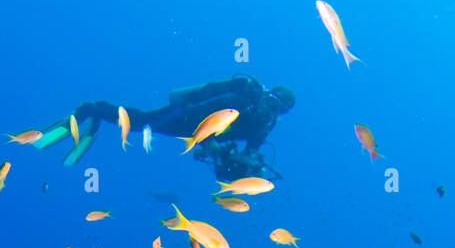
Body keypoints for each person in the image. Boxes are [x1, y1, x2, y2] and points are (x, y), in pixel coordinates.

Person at [36, 75, 294, 181]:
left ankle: (97, 113)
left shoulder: (264, 124)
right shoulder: (241, 101)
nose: (271, 109)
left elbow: (251, 149)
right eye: (272, 101)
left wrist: (248, 163)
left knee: (140, 124)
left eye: (279, 109)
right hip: (184, 116)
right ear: (267, 94)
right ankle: (92, 109)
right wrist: (209, 143)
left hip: (196, 135)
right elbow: (201, 115)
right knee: (138, 123)